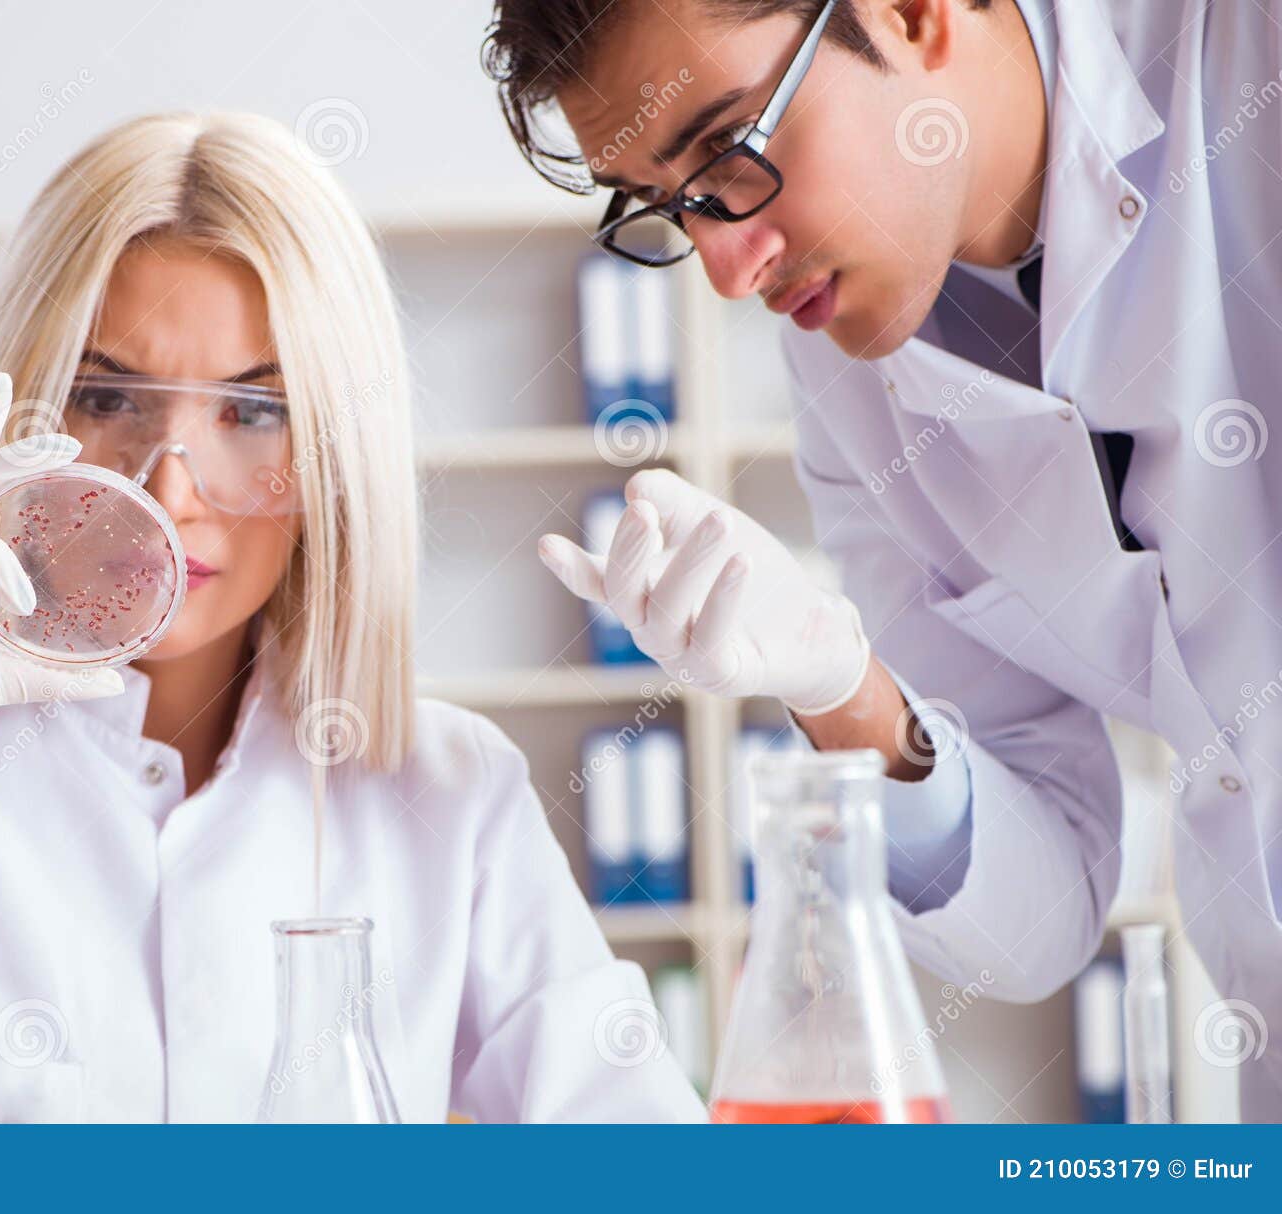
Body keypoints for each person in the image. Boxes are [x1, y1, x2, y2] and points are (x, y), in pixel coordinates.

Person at [0, 111, 703, 1124]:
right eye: (107, 397)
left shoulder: (453, 792)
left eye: (253, 411)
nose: (170, 494)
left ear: (338, 461)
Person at [483, 0, 1282, 1118]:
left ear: (912, 13)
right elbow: (1041, 918)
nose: (722, 267)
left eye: (728, 151)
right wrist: (836, 684)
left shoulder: (1246, 58)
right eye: (667, 206)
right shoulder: (852, 378)